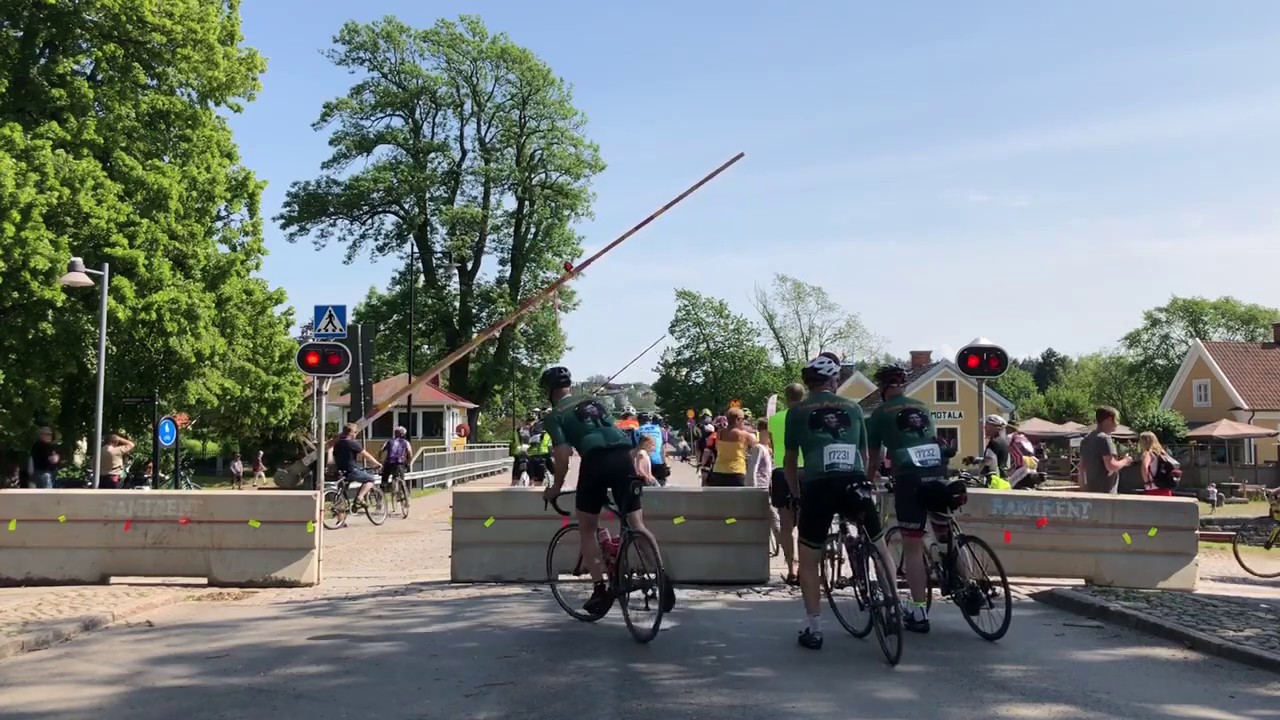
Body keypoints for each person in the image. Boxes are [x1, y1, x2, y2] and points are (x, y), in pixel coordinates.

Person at [539, 366, 673, 616]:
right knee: (637, 525)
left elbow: (563, 454)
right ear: (570, 386)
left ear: (549, 391)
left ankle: (600, 588)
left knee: (587, 527)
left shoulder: (555, 415)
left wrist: (555, 488)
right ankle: (661, 576)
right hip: (625, 457)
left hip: (596, 461)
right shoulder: (594, 403)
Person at [786, 353, 895, 650]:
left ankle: (815, 627)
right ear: (833, 381)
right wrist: (864, 481)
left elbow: (790, 461)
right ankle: (892, 603)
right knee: (879, 544)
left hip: (818, 487)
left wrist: (796, 495)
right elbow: (863, 453)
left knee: (809, 559)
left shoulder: (796, 412)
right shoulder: (855, 409)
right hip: (853, 482)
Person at [867, 363, 961, 633]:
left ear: (883, 388)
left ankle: (919, 612)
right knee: (945, 531)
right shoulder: (922, 407)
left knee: (913, 546)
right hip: (939, 473)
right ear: (904, 385)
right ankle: (966, 582)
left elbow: (874, 459)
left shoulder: (879, 414)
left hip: (909, 479)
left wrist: (869, 479)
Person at [767, 382, 806, 585]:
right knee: (806, 524)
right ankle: (805, 570)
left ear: (785, 397)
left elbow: (772, 445)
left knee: (786, 525)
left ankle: (791, 567)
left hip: (782, 471)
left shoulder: (775, 419)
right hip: (806, 471)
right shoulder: (808, 415)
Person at [1079, 406, 1131, 494]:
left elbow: (1081, 467)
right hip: (1105, 493)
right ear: (1110, 419)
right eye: (1116, 420)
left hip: (1090, 492)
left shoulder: (1086, 439)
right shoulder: (1105, 439)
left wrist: (1083, 490)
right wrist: (1126, 460)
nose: (1117, 423)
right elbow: (1111, 466)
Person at [333, 423, 382, 506]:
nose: (356, 434)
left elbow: (335, 456)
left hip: (340, 471)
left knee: (341, 492)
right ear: (350, 432)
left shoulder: (337, 444)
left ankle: (339, 512)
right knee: (370, 480)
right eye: (355, 432)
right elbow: (367, 455)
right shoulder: (352, 443)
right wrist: (377, 463)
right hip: (351, 470)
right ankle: (360, 497)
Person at [707, 409, 756, 486]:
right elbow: (754, 443)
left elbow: (717, 447)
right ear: (738, 420)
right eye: (743, 420)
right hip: (737, 472)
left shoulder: (720, 432)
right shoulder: (744, 435)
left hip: (718, 472)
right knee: (737, 498)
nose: (744, 422)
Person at [635, 413, 669, 487]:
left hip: (643, 462)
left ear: (638, 421)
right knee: (661, 488)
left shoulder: (636, 430)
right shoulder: (661, 430)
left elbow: (635, 449)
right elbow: (663, 449)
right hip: (658, 463)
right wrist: (665, 465)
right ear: (650, 421)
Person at [1138, 431, 1175, 497]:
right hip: (1165, 487)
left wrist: (1147, 482)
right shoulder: (1162, 453)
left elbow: (1145, 467)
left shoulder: (1148, 453)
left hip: (1153, 488)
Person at [526, 411, 554, 487]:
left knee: (536, 479)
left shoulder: (535, 426)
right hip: (543, 452)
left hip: (535, 453)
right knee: (551, 473)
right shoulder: (546, 426)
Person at [510, 417, 533, 486]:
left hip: (518, 450)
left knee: (517, 466)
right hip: (529, 450)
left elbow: (514, 440)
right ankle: (531, 481)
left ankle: (514, 482)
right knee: (531, 466)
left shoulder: (518, 429)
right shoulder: (532, 429)